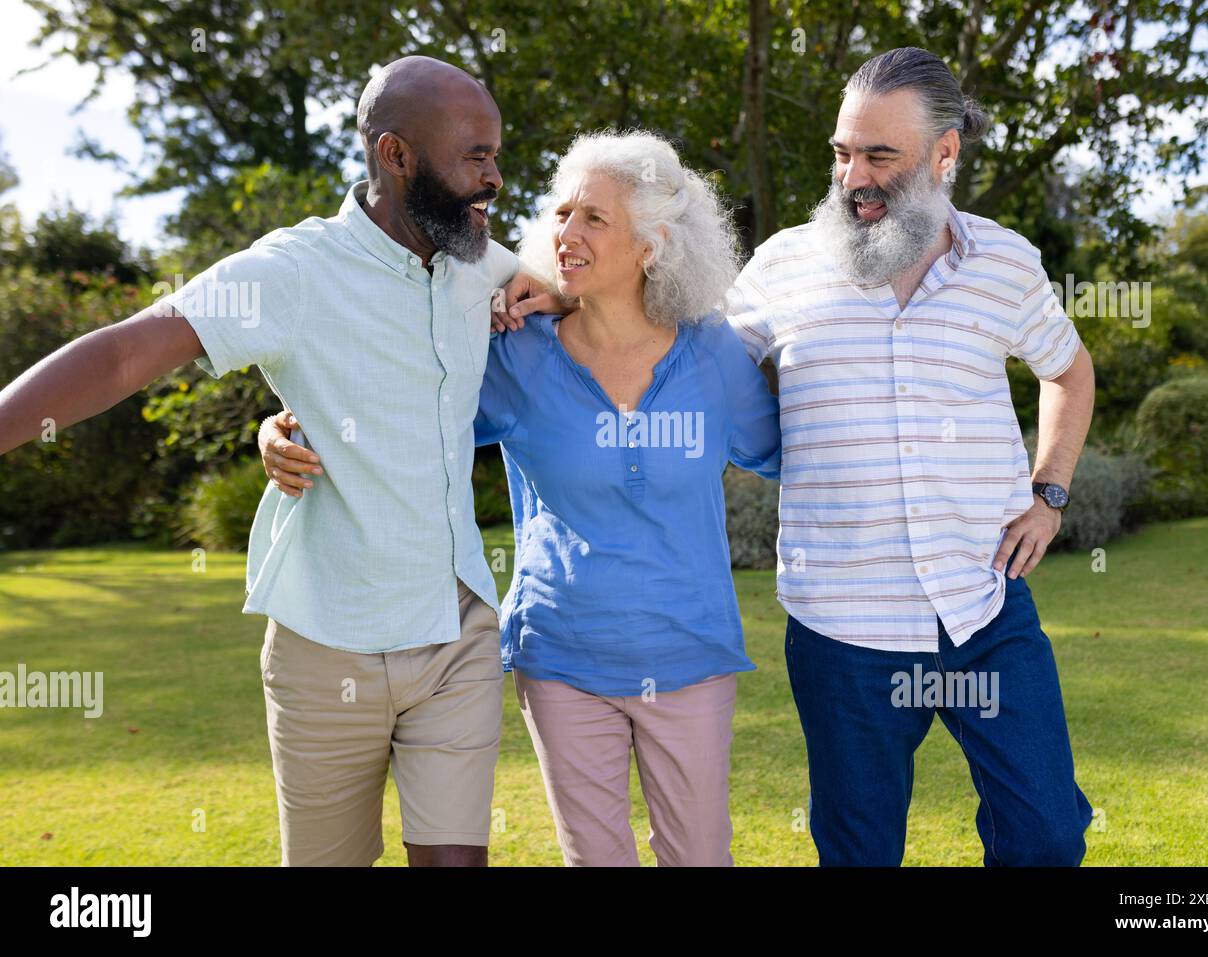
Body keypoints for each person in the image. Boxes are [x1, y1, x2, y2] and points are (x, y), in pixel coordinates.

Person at [497, 47, 1098, 867]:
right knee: (858, 853)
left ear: (945, 155)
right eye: (843, 153)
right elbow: (671, 337)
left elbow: (1067, 366)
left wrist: (1049, 489)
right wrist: (571, 282)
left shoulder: (1006, 266)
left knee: (1048, 835)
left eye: (880, 156)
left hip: (983, 605)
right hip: (844, 629)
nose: (855, 175)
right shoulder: (781, 266)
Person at [0, 56, 551, 867]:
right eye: (475, 157)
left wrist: (546, 291)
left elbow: (579, 285)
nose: (496, 178)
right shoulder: (291, 271)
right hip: (327, 641)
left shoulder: (475, 257)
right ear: (394, 155)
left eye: (495, 154)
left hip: (456, 628)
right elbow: (124, 356)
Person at [259, 130, 782, 866]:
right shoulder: (517, 352)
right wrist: (282, 425)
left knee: (700, 854)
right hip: (562, 655)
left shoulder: (713, 353)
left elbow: (795, 450)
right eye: (563, 212)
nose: (565, 231)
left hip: (690, 654)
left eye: (594, 218)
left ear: (652, 244)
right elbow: (397, 414)